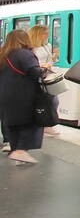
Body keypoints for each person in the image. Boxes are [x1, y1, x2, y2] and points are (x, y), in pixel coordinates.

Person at [0, 30, 46, 164]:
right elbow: (34, 72)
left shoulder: (4, 54)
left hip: (5, 95)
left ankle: (17, 152)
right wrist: (44, 69)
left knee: (12, 124)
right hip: (23, 95)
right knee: (30, 122)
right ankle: (20, 151)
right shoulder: (25, 54)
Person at [29, 24, 61, 136]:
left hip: (46, 76)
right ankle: (43, 124)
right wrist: (43, 66)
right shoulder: (31, 48)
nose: (48, 35)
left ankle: (47, 124)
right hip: (38, 76)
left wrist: (55, 57)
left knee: (54, 100)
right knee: (45, 101)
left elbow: (50, 60)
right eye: (45, 33)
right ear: (38, 35)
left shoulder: (47, 45)